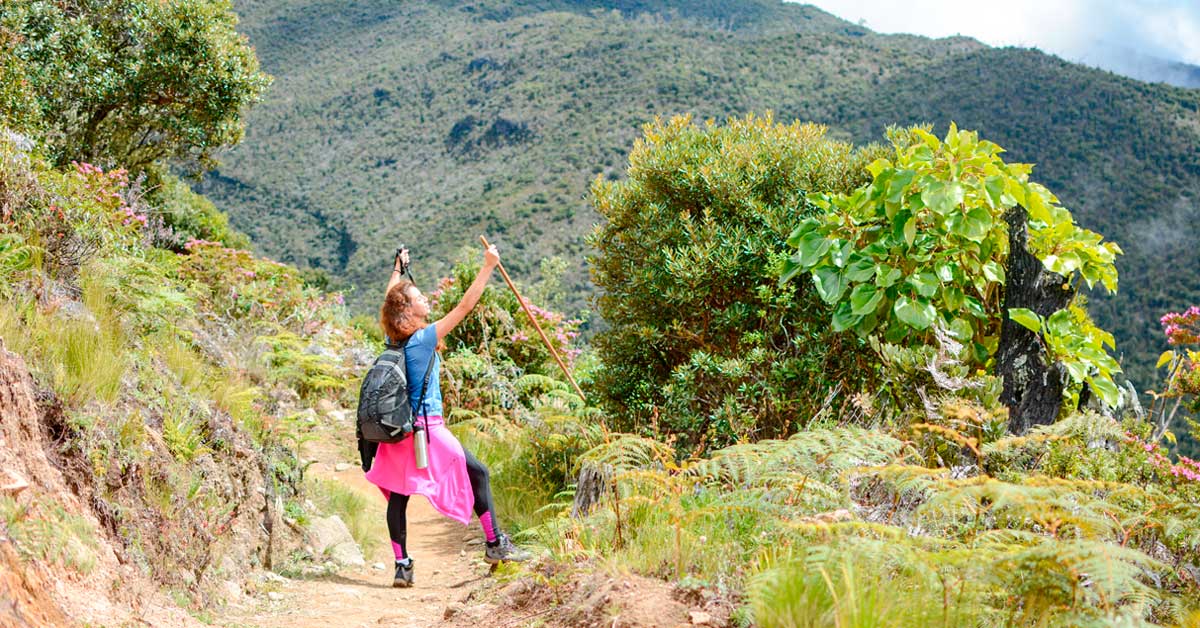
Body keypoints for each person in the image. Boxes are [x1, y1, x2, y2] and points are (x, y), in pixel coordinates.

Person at [362, 243, 531, 589]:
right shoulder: (423, 338)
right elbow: (466, 306)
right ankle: (495, 544)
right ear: (407, 310)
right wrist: (488, 267)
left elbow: (388, 298)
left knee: (398, 495)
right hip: (427, 429)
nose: (426, 299)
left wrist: (397, 268)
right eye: (419, 296)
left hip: (399, 433)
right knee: (478, 472)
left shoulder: (393, 338)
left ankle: (402, 565)